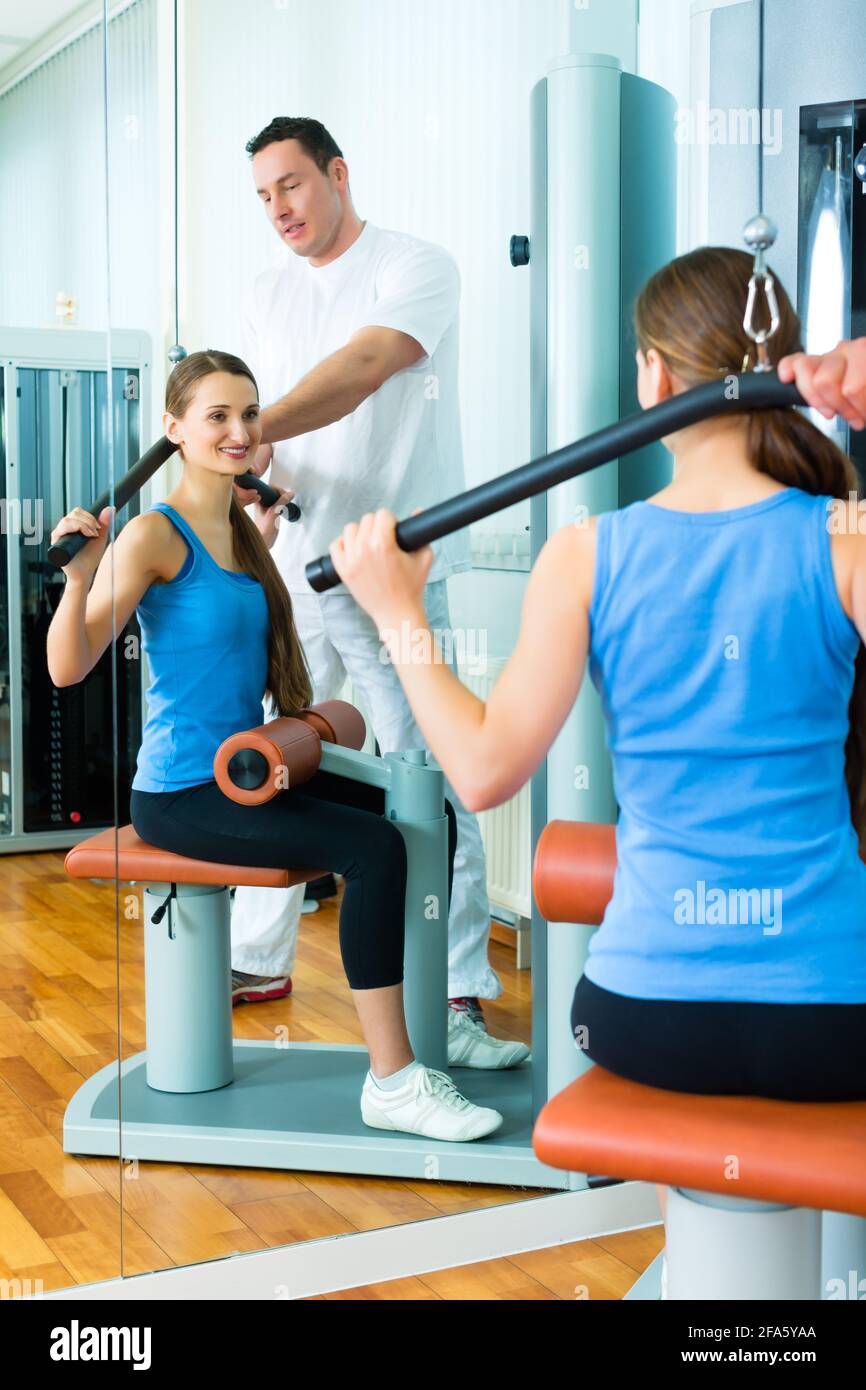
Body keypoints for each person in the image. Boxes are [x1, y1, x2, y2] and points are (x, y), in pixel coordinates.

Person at [325, 249, 866, 1255]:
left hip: (639, 1014)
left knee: (706, 1167)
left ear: (651, 376)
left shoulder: (586, 552)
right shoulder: (843, 536)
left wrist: (399, 613)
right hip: (836, 1012)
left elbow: (482, 772)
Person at [45, 349, 504, 1144]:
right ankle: (393, 1081)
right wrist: (81, 577)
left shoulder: (239, 532)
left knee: (425, 811)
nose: (238, 431)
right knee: (373, 848)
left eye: (248, 414)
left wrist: (257, 530)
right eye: (216, 416)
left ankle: (441, 1023)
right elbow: (67, 666)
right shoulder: (157, 534)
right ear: (174, 429)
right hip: (185, 794)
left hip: (250, 771)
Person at [229, 115, 528, 1069]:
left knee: (423, 771)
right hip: (293, 561)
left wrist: (251, 427)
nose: (279, 208)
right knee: (273, 753)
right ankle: (256, 953)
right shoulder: (266, 294)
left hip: (388, 564)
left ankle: (459, 990)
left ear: (338, 175)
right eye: (263, 194)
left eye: (292, 185)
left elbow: (362, 370)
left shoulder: (415, 265)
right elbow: (275, 434)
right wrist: (251, 473)